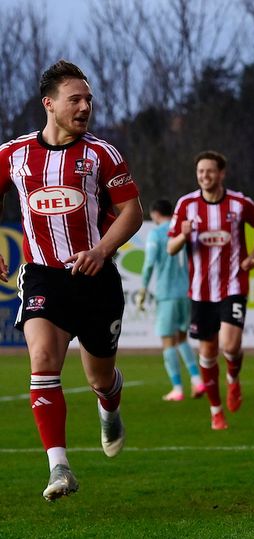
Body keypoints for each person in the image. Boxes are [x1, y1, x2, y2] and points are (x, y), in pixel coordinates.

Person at [0, 60, 143, 501]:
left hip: (96, 280)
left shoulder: (102, 154)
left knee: (99, 377)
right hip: (43, 275)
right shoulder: (13, 154)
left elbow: (132, 212)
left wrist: (101, 250)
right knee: (42, 359)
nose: (85, 107)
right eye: (75, 99)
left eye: (89, 100)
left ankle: (109, 402)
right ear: (49, 104)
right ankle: (59, 467)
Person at [167, 151, 254, 430]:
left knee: (231, 344)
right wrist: (183, 236)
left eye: (210, 171)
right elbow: (171, 247)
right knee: (208, 351)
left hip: (233, 285)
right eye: (200, 172)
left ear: (221, 174)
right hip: (200, 292)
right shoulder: (186, 205)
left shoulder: (239, 203)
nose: (204, 176)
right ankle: (215, 410)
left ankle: (233, 379)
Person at [136, 199, 205, 402]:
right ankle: (197, 380)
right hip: (186, 292)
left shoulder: (156, 234)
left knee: (168, 341)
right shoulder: (182, 232)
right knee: (182, 339)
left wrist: (143, 289)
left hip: (167, 293)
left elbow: (149, 264)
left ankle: (177, 388)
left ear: (155, 214)